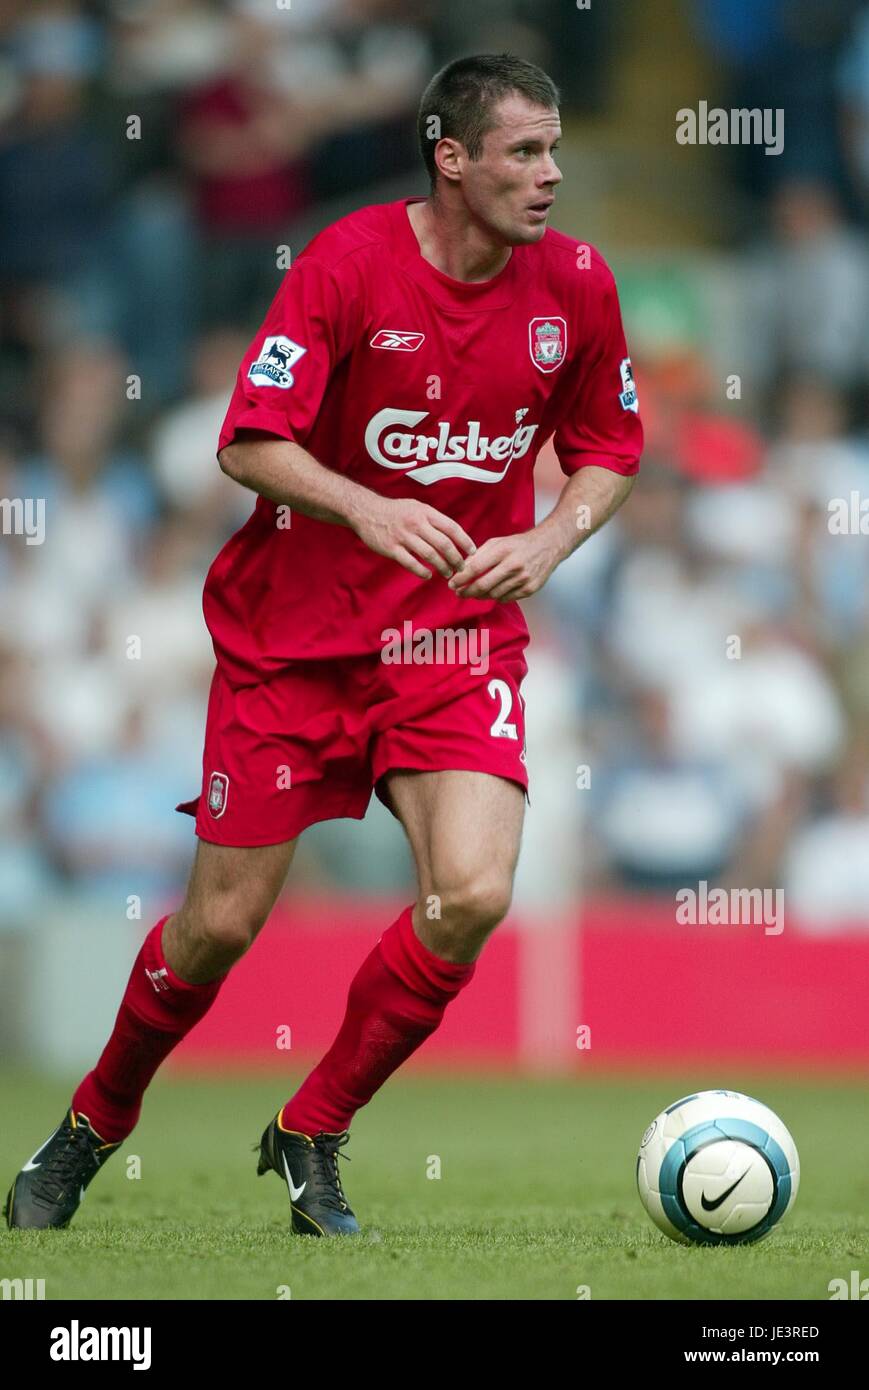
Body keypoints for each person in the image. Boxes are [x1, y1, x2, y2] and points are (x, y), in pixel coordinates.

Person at [6, 54, 642, 1237]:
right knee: (220, 928)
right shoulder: (346, 266)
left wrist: (553, 538)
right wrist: (366, 503)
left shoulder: (577, 285)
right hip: (291, 649)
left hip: (453, 640)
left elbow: (609, 447)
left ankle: (313, 1126)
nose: (550, 175)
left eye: (554, 149)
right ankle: (92, 1122)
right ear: (449, 157)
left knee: (471, 892)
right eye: (522, 152)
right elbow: (247, 443)